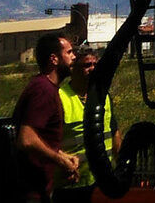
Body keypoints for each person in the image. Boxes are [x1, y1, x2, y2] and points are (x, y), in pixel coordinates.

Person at [13, 33, 80, 203]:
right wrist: (60, 161)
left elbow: (41, 140)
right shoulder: (43, 90)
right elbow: (26, 139)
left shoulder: (47, 88)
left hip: (39, 190)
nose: (74, 57)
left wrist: (63, 157)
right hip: (31, 194)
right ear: (54, 59)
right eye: (69, 52)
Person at [52, 47, 122, 203]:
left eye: (94, 64)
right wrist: (62, 161)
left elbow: (114, 131)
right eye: (86, 65)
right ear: (73, 68)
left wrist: (122, 167)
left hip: (102, 182)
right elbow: (46, 141)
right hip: (72, 187)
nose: (92, 69)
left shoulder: (103, 95)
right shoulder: (60, 98)